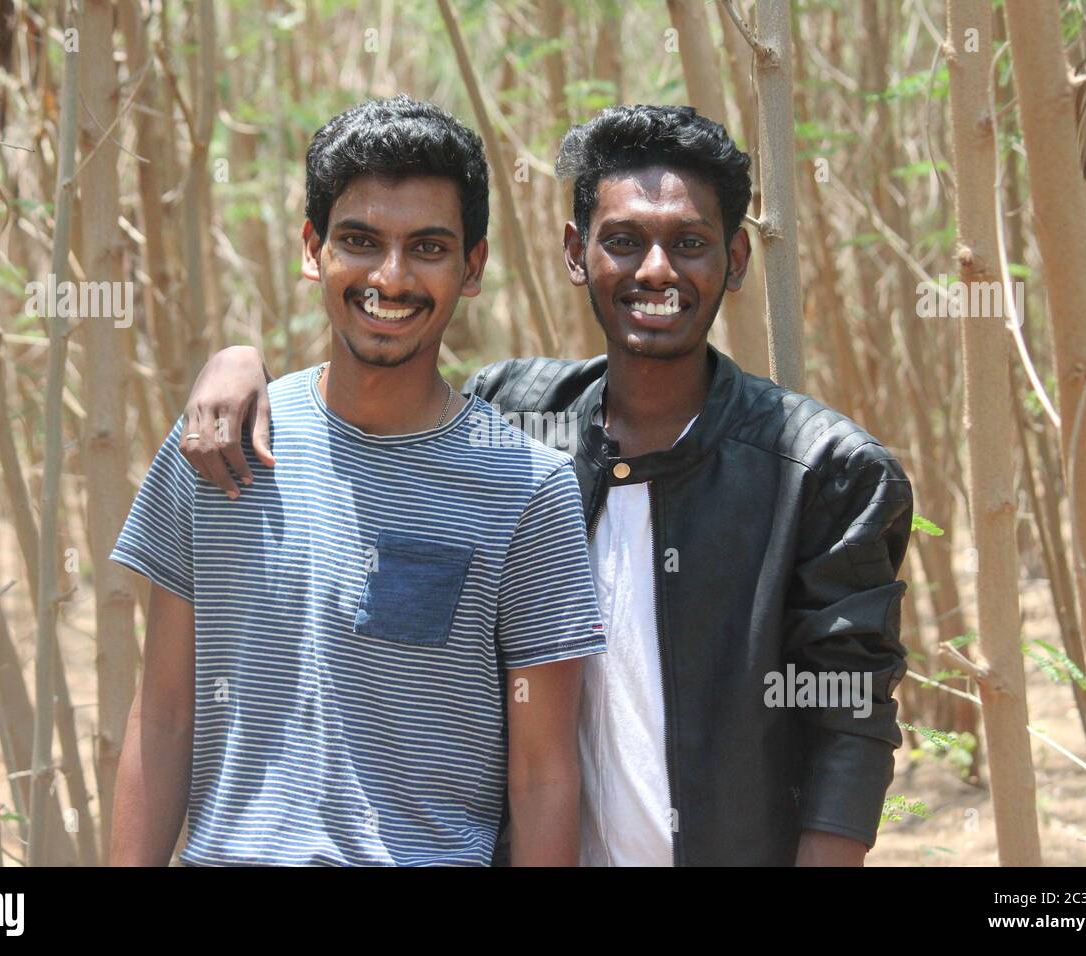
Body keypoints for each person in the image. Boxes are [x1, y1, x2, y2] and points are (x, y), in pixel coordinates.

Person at [180, 104, 914, 866]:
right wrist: (240, 363)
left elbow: (849, 722)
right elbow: (381, 403)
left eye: (689, 244)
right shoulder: (517, 420)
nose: (656, 270)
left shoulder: (821, 473)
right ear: (576, 252)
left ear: (733, 259)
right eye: (624, 242)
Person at [108, 96, 605, 866]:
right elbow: (166, 715)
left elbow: (544, 775)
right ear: (314, 249)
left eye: (429, 247)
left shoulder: (528, 489)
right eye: (360, 240)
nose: (391, 276)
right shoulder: (216, 446)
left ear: (472, 268)